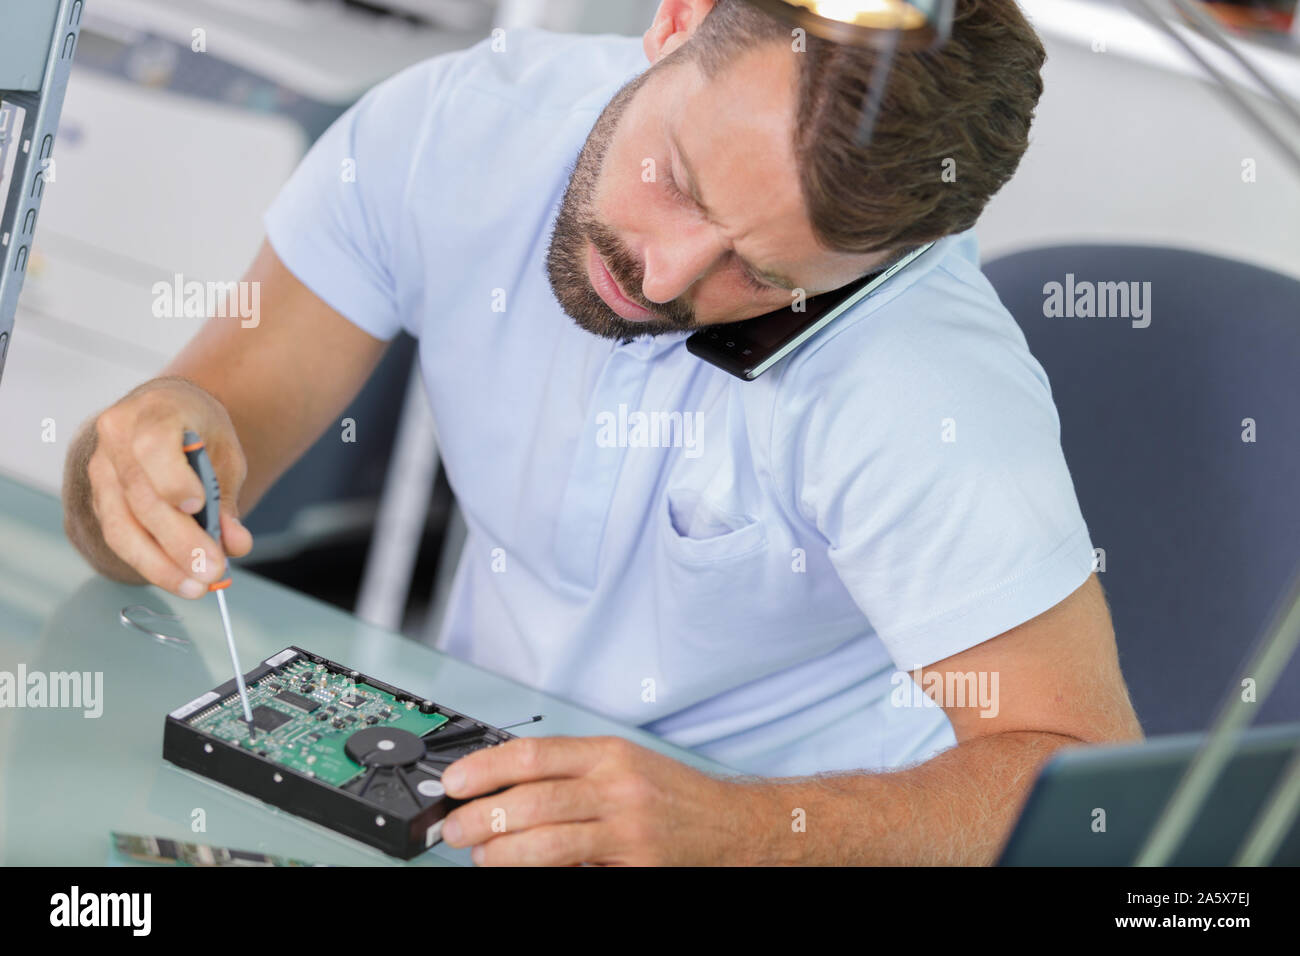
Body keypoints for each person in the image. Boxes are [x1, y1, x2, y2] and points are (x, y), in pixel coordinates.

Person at [62, 0, 1142, 864]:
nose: (664, 277)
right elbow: (151, 491)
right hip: (477, 802)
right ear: (677, 18)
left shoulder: (924, 379)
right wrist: (135, 461)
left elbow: (1090, 795)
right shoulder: (455, 129)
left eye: (760, 273)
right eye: (679, 182)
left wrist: (740, 830)